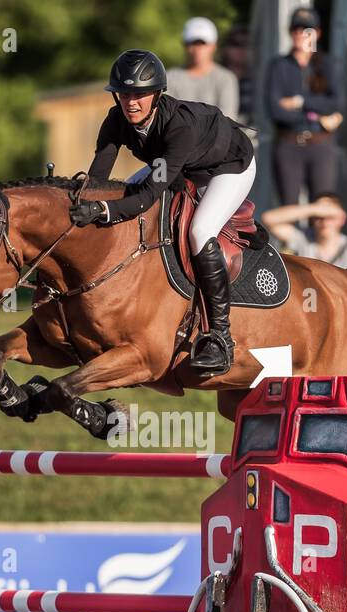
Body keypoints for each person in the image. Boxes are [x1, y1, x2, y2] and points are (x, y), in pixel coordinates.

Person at [73, 49, 256, 376]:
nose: (131, 102)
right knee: (119, 196)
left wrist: (102, 209)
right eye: (124, 94)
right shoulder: (115, 120)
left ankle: (220, 338)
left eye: (140, 95)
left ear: (157, 94)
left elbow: (146, 197)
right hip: (178, 166)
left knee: (200, 231)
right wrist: (79, 202)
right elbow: (98, 182)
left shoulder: (178, 127)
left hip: (228, 166)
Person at [264, 6, 345, 204]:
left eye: (307, 30)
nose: (301, 34)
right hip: (289, 142)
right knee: (288, 206)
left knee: (322, 204)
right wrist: (316, 116)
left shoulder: (326, 64)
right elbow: (275, 111)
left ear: (317, 33)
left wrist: (299, 102)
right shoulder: (279, 65)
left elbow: (337, 102)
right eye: (297, 29)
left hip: (320, 143)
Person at [263, 193, 347, 268]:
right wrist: (314, 209)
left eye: (330, 217)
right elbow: (268, 219)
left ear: (342, 218)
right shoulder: (303, 238)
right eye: (318, 216)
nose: (324, 222)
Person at [167, 17, 241, 120]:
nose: (197, 49)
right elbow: (167, 117)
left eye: (202, 44)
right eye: (192, 43)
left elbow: (227, 119)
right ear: (185, 46)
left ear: (213, 46)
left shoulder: (226, 79)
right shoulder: (170, 78)